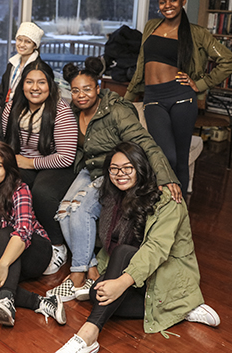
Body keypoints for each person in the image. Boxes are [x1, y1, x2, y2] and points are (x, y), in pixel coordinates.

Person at [55, 142, 220, 353]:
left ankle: (88, 334)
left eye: (128, 167)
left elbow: (155, 249)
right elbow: (110, 247)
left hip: (163, 272)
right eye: (114, 168)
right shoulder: (115, 197)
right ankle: (177, 308)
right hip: (138, 275)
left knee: (120, 262)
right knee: (98, 294)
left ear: (140, 168)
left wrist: (121, 283)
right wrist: (100, 275)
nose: (120, 173)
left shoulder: (167, 200)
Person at [46, 57, 181, 304]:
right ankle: (92, 269)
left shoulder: (116, 111)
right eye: (75, 90)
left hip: (112, 170)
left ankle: (76, 275)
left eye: (87, 89)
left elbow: (145, 143)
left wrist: (166, 176)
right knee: (64, 211)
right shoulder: (72, 111)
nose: (81, 95)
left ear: (98, 87)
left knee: (80, 209)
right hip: (90, 170)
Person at [125, 0, 232, 195]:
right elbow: (141, 66)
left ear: (183, 1)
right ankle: (163, 204)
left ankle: (179, 212)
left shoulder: (197, 33)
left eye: (173, 0)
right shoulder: (151, 26)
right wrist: (127, 97)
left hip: (181, 98)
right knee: (167, 155)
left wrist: (200, 84)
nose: (168, 5)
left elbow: (229, 61)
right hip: (154, 97)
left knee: (181, 157)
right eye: (162, 1)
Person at [0, 141, 65, 327]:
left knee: (7, 232)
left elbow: (22, 233)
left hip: (35, 252)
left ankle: (6, 299)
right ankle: (42, 302)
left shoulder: (19, 190)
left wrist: (3, 264)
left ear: (8, 169)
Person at [2, 59, 78, 276]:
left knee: (41, 193)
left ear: (50, 85)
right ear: (22, 85)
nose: (35, 88)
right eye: (29, 82)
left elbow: (66, 157)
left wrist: (30, 162)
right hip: (23, 163)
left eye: (41, 82)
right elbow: (7, 144)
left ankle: (57, 245)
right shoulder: (12, 108)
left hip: (57, 165)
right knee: (12, 186)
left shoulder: (60, 111)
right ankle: (18, 239)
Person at [0, 22, 45, 111]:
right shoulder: (12, 64)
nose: (21, 45)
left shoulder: (39, 69)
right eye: (19, 39)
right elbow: (1, 92)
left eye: (27, 42)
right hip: (5, 113)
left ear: (35, 45)